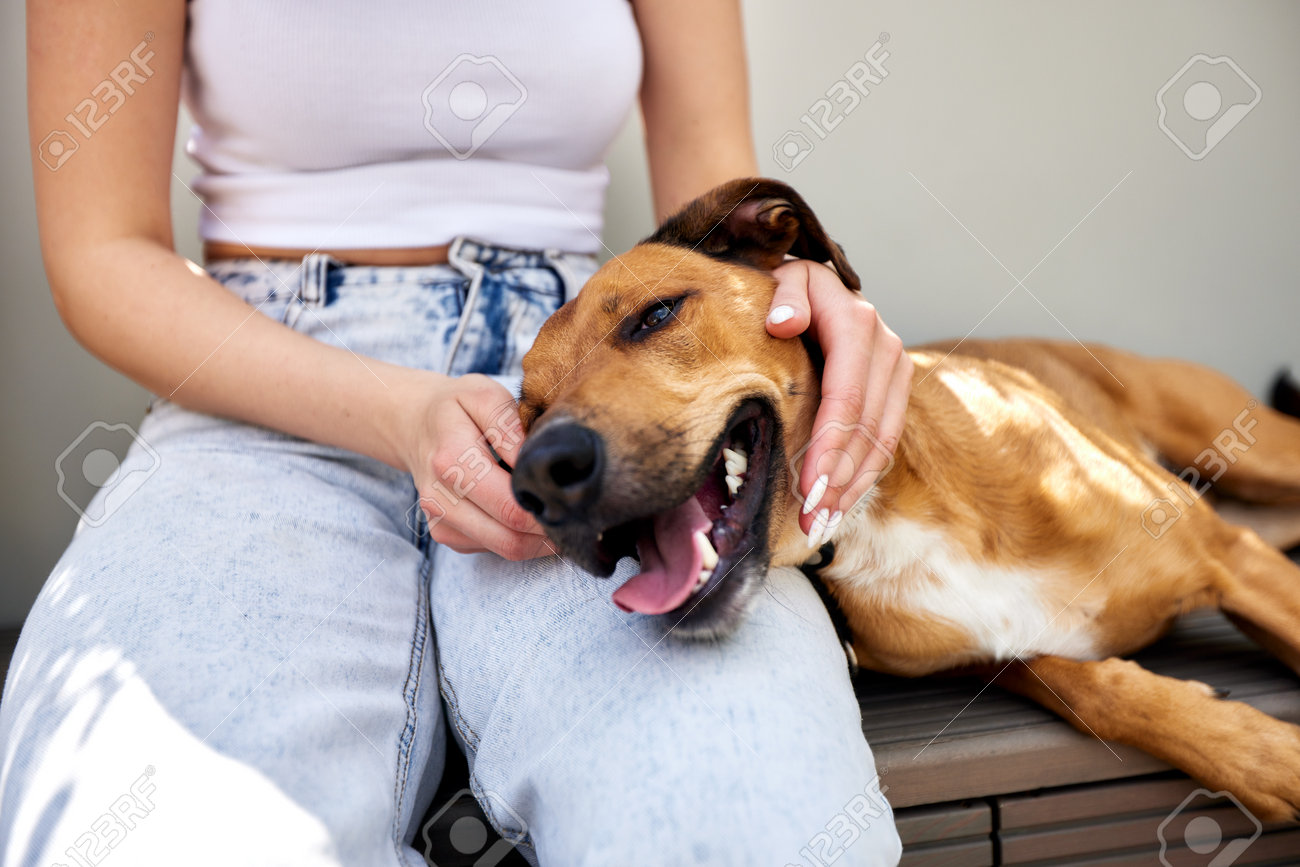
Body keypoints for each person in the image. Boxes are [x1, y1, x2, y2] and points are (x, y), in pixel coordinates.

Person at [3, 1, 912, 864]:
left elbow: (714, 215)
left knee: (751, 808)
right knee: (162, 829)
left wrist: (791, 292)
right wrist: (398, 411)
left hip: (573, 394)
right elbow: (100, 254)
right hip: (260, 389)